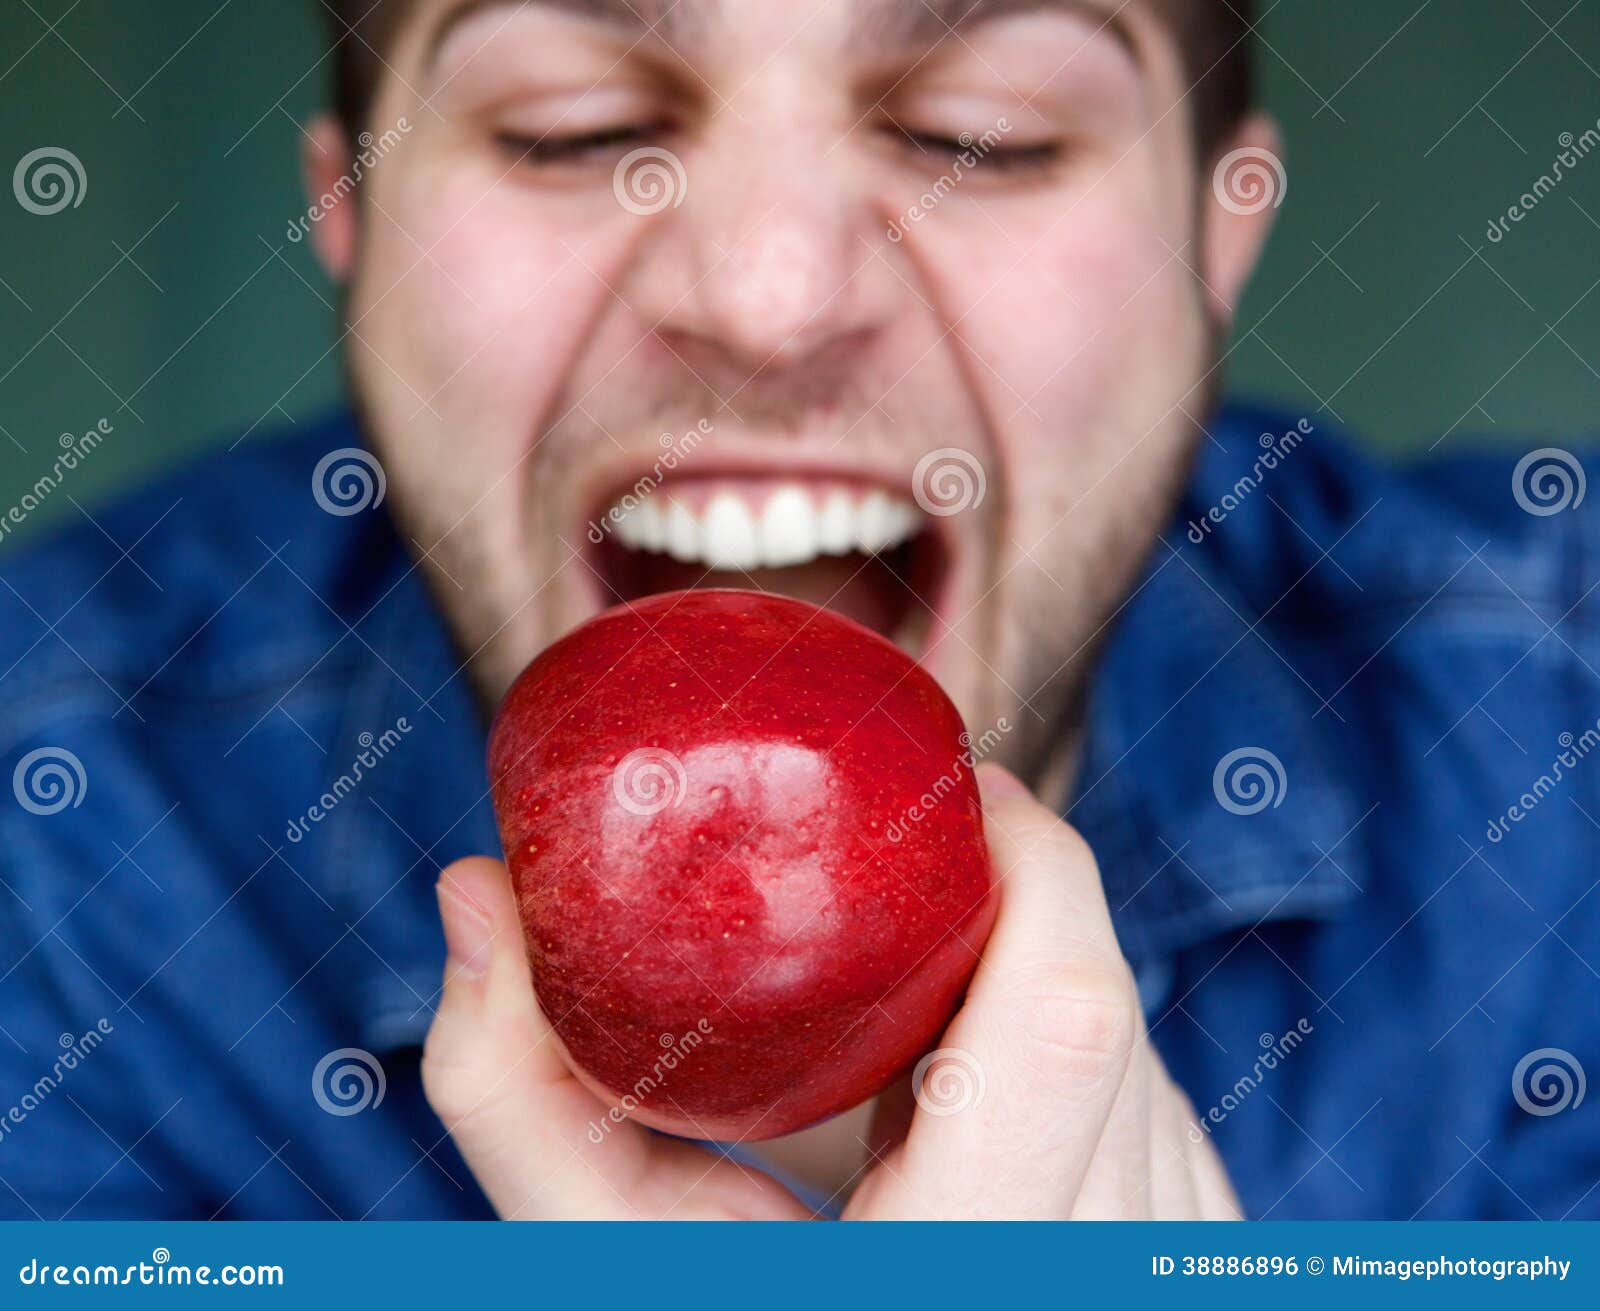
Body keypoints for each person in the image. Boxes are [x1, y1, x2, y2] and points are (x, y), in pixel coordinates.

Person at [2, 0, 1595, 1221]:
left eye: (988, 130)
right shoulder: (53, 854)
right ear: (345, 222)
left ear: (1215, 233)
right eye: (575, 126)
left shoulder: (1559, 755)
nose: (768, 298)